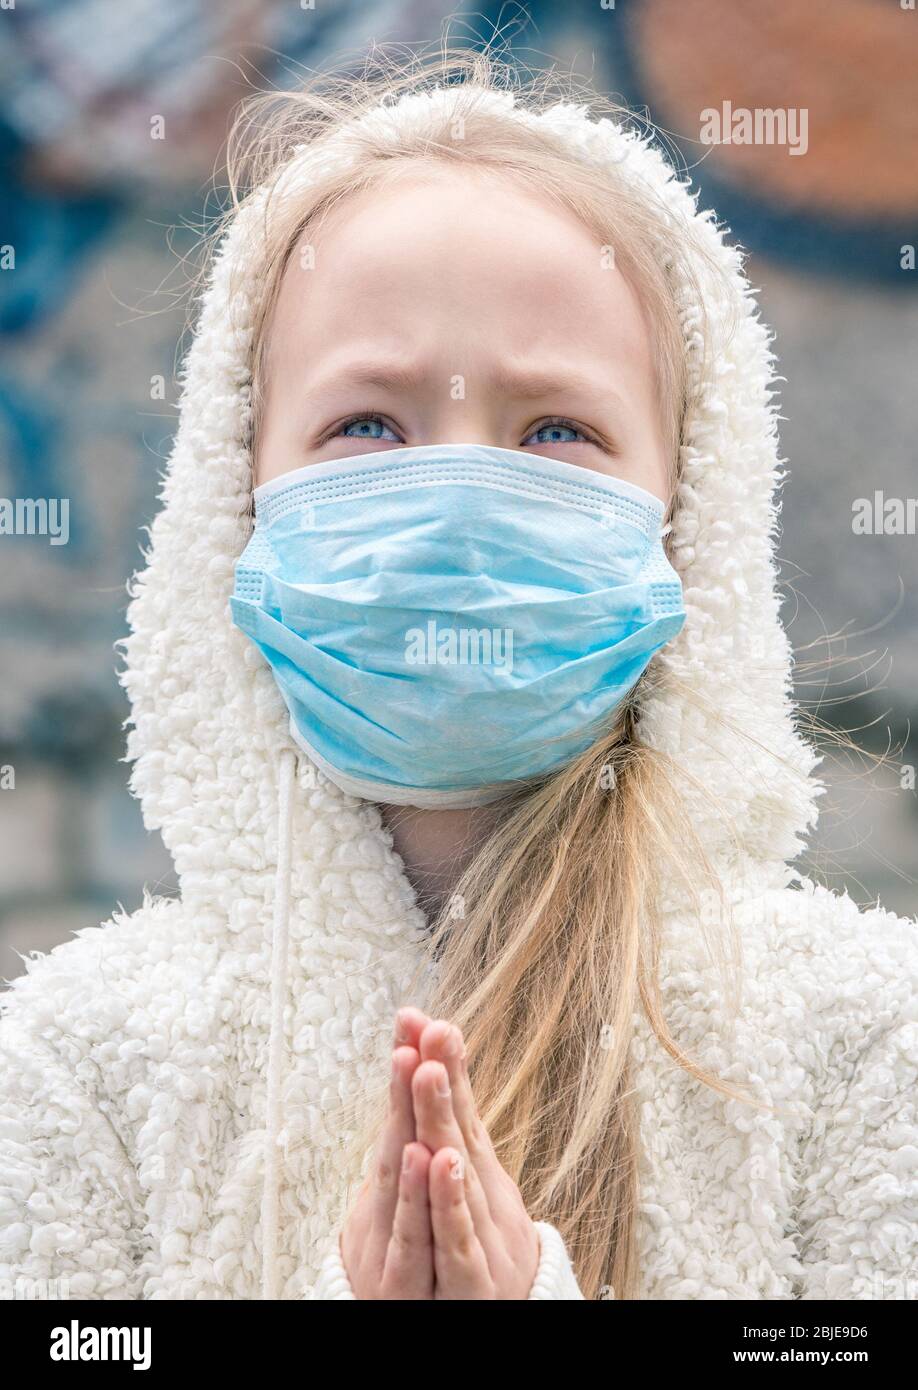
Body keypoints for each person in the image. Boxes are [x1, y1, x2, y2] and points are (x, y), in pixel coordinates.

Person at [1, 53, 915, 1302]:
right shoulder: (77, 1062)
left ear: (689, 513)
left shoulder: (863, 1040)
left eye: (557, 432)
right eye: (367, 426)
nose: (456, 504)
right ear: (233, 498)